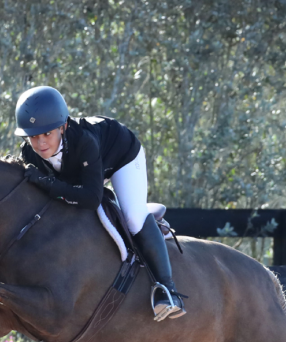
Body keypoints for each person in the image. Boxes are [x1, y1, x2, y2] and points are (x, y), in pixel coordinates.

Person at [14, 85, 186, 321]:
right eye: (34, 136)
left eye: (47, 134)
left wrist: (48, 184)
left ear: (63, 127)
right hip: (82, 170)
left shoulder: (84, 141)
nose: (41, 143)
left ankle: (168, 290)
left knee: (133, 218)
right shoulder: (29, 153)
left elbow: (91, 197)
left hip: (121, 157)